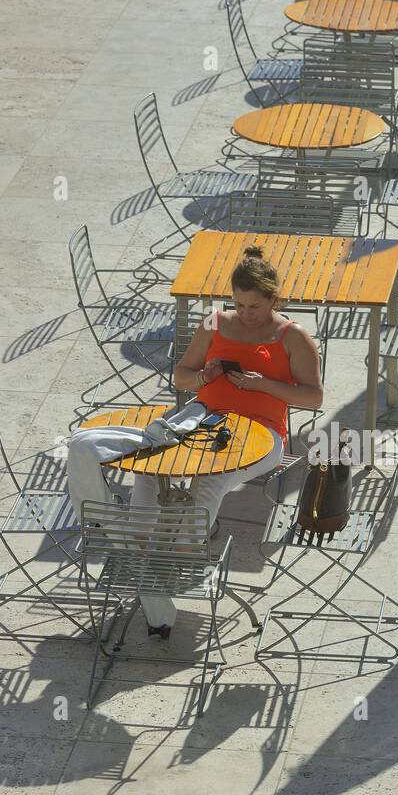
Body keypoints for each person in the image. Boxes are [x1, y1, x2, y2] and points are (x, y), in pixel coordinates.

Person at [67, 246, 323, 640]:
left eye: (254, 306)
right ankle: (139, 539)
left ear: (275, 299)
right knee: (150, 467)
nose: (245, 313)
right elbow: (182, 379)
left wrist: (264, 385)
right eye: (238, 304)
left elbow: (314, 398)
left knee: (212, 480)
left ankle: (180, 554)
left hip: (261, 433)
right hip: (200, 420)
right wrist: (205, 375)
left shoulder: (293, 337)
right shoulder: (213, 324)